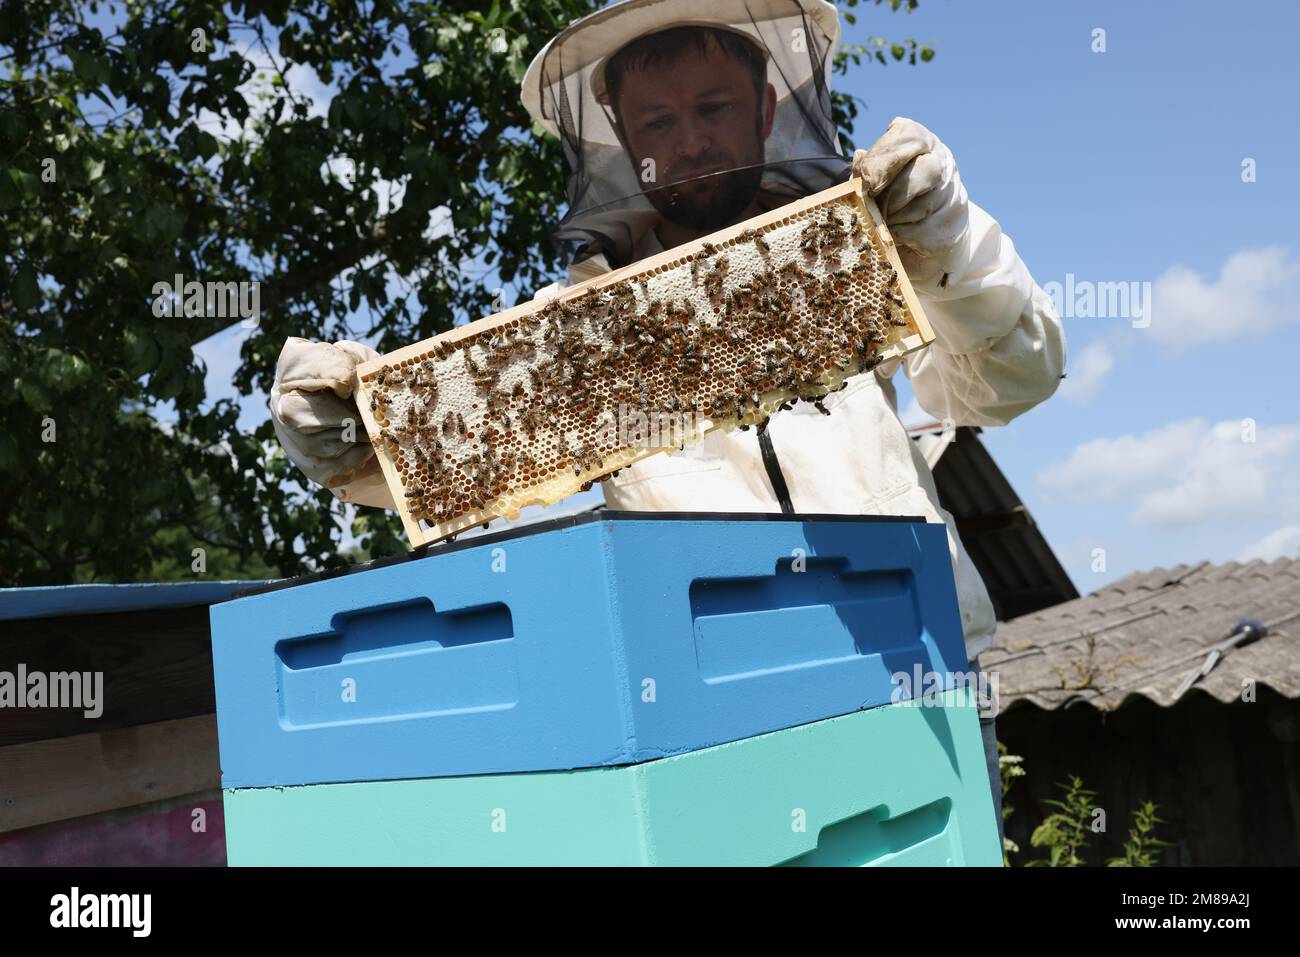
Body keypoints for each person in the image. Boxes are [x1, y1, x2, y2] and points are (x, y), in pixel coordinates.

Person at [270, 0, 1066, 852]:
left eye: (714, 108)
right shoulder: (576, 333)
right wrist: (348, 438)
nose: (688, 142)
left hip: (915, 686)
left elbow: (1013, 381)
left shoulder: (858, 249)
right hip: (715, 729)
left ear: (766, 110)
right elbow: (449, 463)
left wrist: (948, 239)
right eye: (658, 118)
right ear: (618, 135)